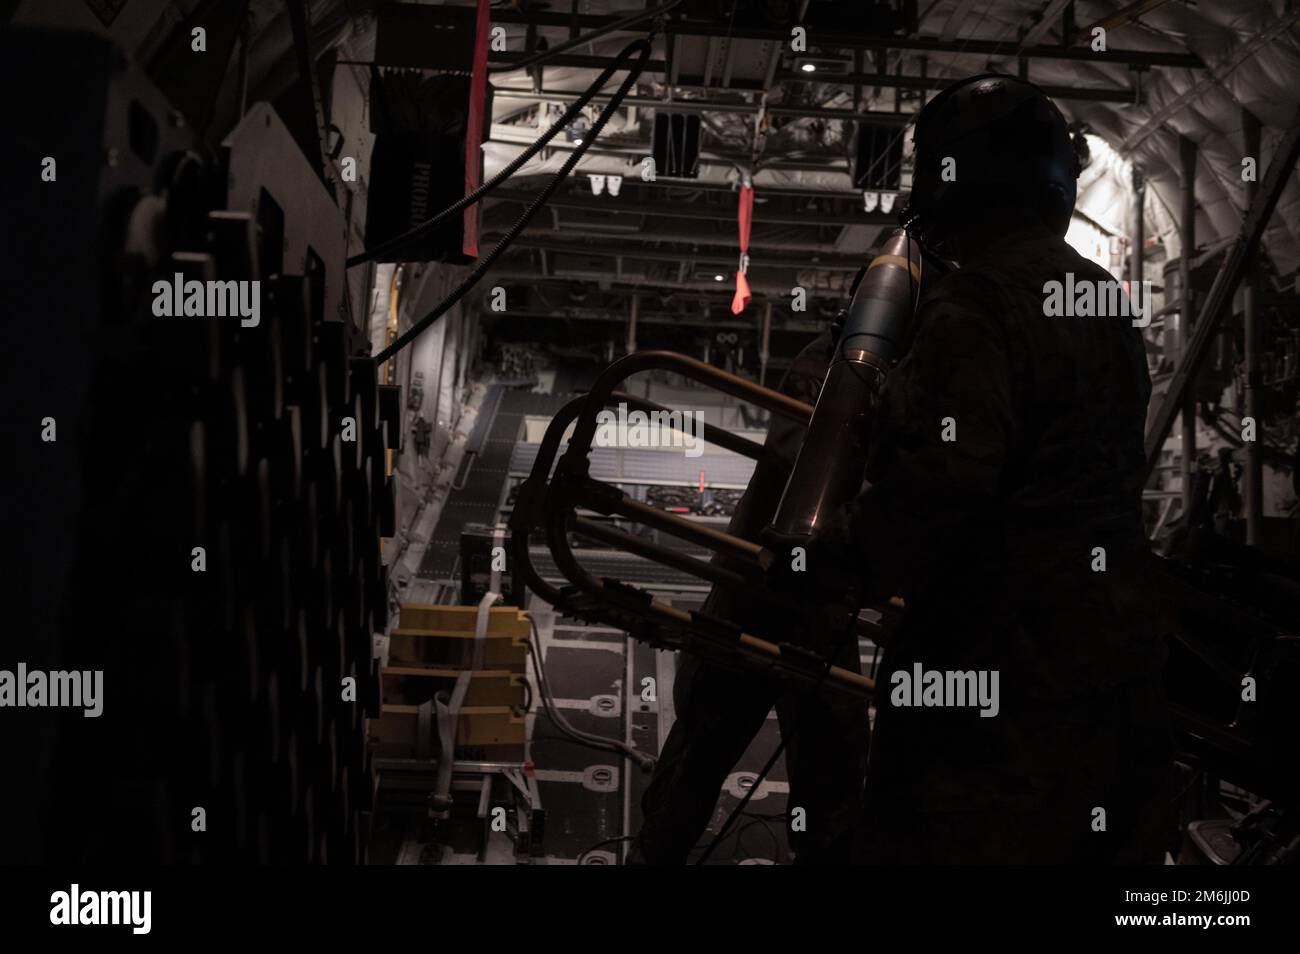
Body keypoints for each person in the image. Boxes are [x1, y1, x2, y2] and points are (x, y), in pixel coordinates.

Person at [807, 73, 1173, 863]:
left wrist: (828, 556)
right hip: (1116, 658)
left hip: (995, 676)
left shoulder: (974, 305)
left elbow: (940, 488)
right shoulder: (1103, 299)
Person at [633, 318, 871, 865]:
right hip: (760, 591)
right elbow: (802, 459)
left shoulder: (863, 362)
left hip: (821, 606)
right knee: (701, 749)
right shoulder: (831, 363)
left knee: (831, 769)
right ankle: (655, 853)